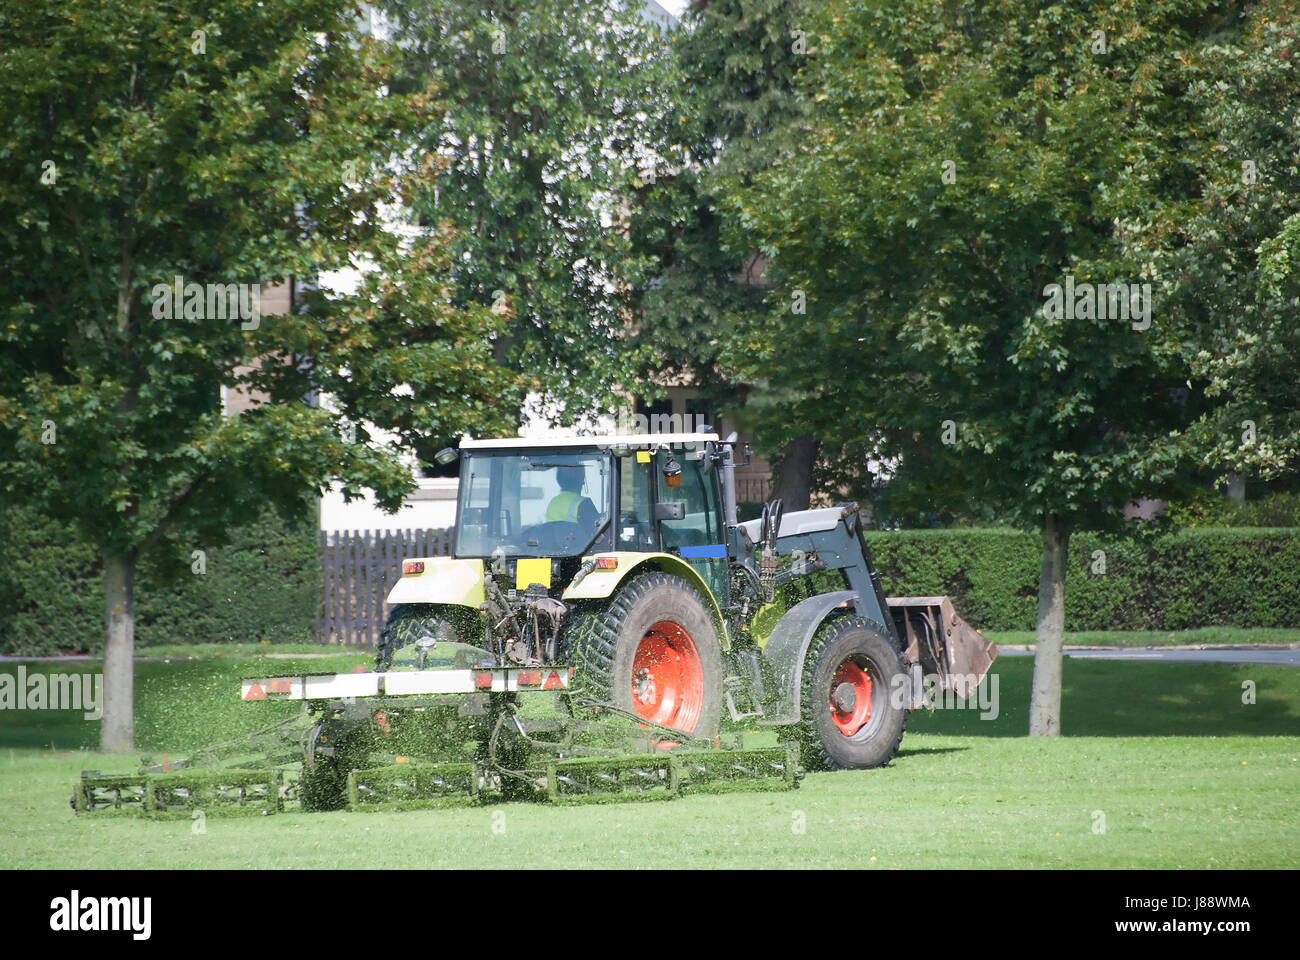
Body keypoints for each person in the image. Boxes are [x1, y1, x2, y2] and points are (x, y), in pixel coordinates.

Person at [546, 465, 599, 532]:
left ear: (559, 479)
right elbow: (597, 532)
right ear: (582, 479)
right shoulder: (583, 504)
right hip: (579, 542)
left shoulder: (552, 502)